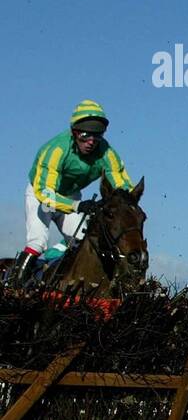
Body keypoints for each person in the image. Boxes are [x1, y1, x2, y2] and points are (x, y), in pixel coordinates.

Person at [12, 100, 132, 283]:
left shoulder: (107, 153)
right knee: (38, 242)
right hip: (43, 197)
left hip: (71, 197)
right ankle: (15, 285)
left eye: (97, 135)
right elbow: (46, 194)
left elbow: (122, 185)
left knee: (84, 240)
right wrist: (77, 205)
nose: (91, 142)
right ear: (75, 132)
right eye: (85, 135)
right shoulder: (57, 149)